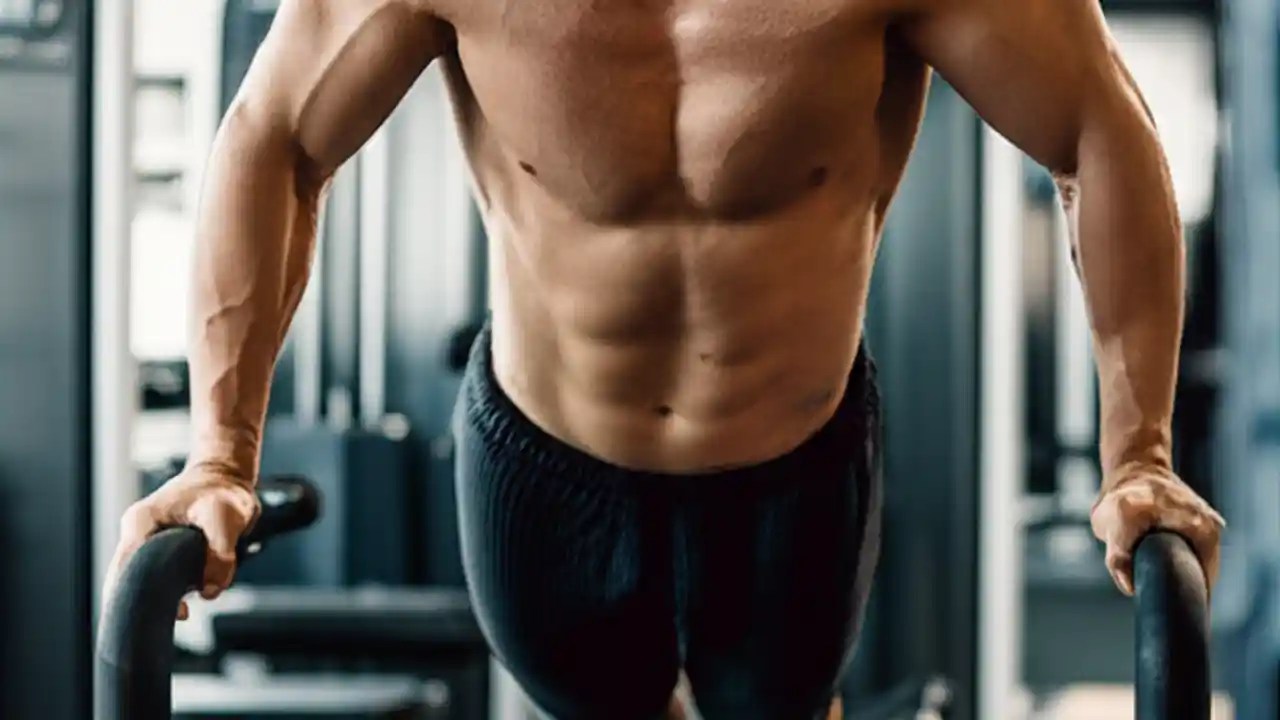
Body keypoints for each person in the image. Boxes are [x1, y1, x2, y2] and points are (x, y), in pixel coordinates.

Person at [104, 0, 1226, 717]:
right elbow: (276, 138)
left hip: (792, 469)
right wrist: (219, 455)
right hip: (545, 469)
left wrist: (1139, 453)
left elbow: (1095, 126)